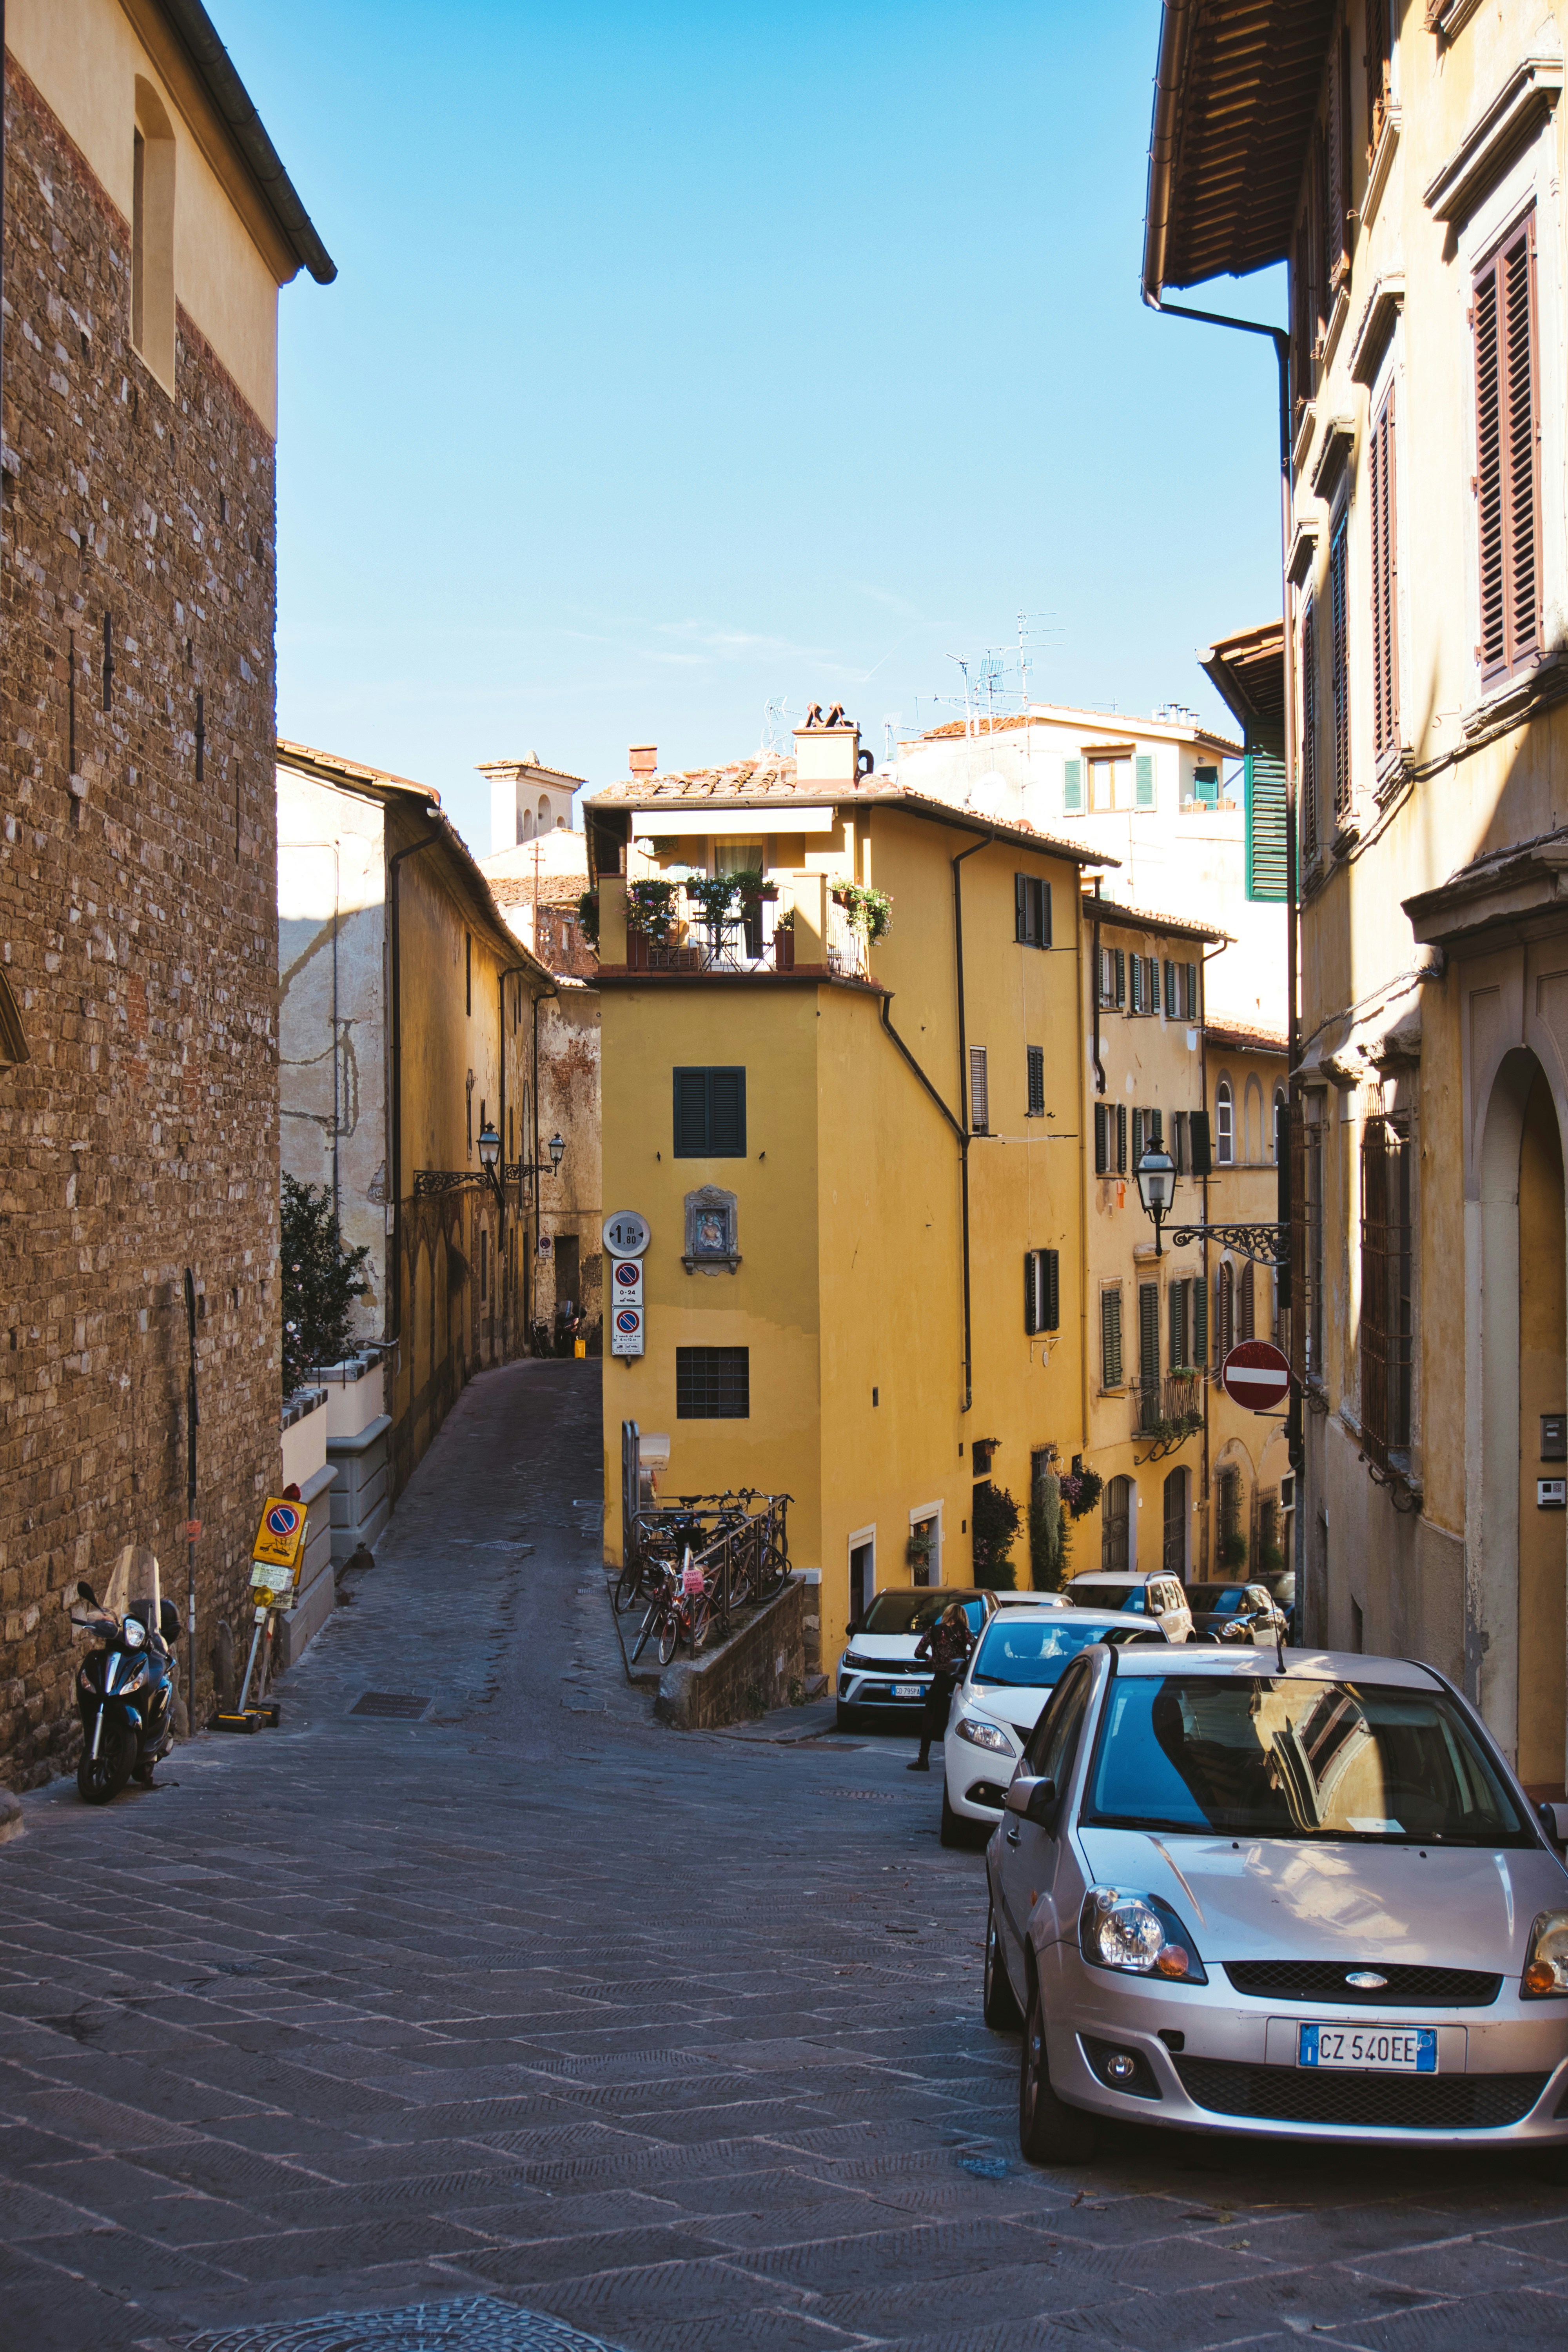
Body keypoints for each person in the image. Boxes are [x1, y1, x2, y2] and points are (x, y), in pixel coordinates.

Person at [907, 1601, 974, 1772]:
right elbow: (975, 1647)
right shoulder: (963, 1631)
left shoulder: (933, 1631)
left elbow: (918, 1653)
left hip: (939, 1679)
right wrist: (964, 1654)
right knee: (957, 1717)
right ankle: (961, 1762)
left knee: (930, 1715)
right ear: (962, 1617)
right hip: (958, 1678)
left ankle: (923, 1759)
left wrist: (932, 1658)